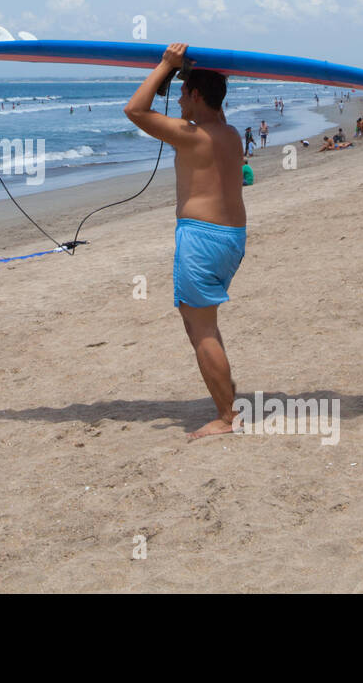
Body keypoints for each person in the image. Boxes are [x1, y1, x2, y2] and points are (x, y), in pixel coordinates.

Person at [124, 43, 246, 441]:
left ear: (195, 95)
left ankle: (227, 417)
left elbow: (135, 110)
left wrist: (165, 65)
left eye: (182, 93)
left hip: (200, 240)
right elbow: (213, 105)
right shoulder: (228, 134)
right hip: (231, 239)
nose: (177, 101)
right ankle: (228, 402)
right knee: (203, 323)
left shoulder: (191, 136)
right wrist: (192, 74)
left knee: (201, 330)